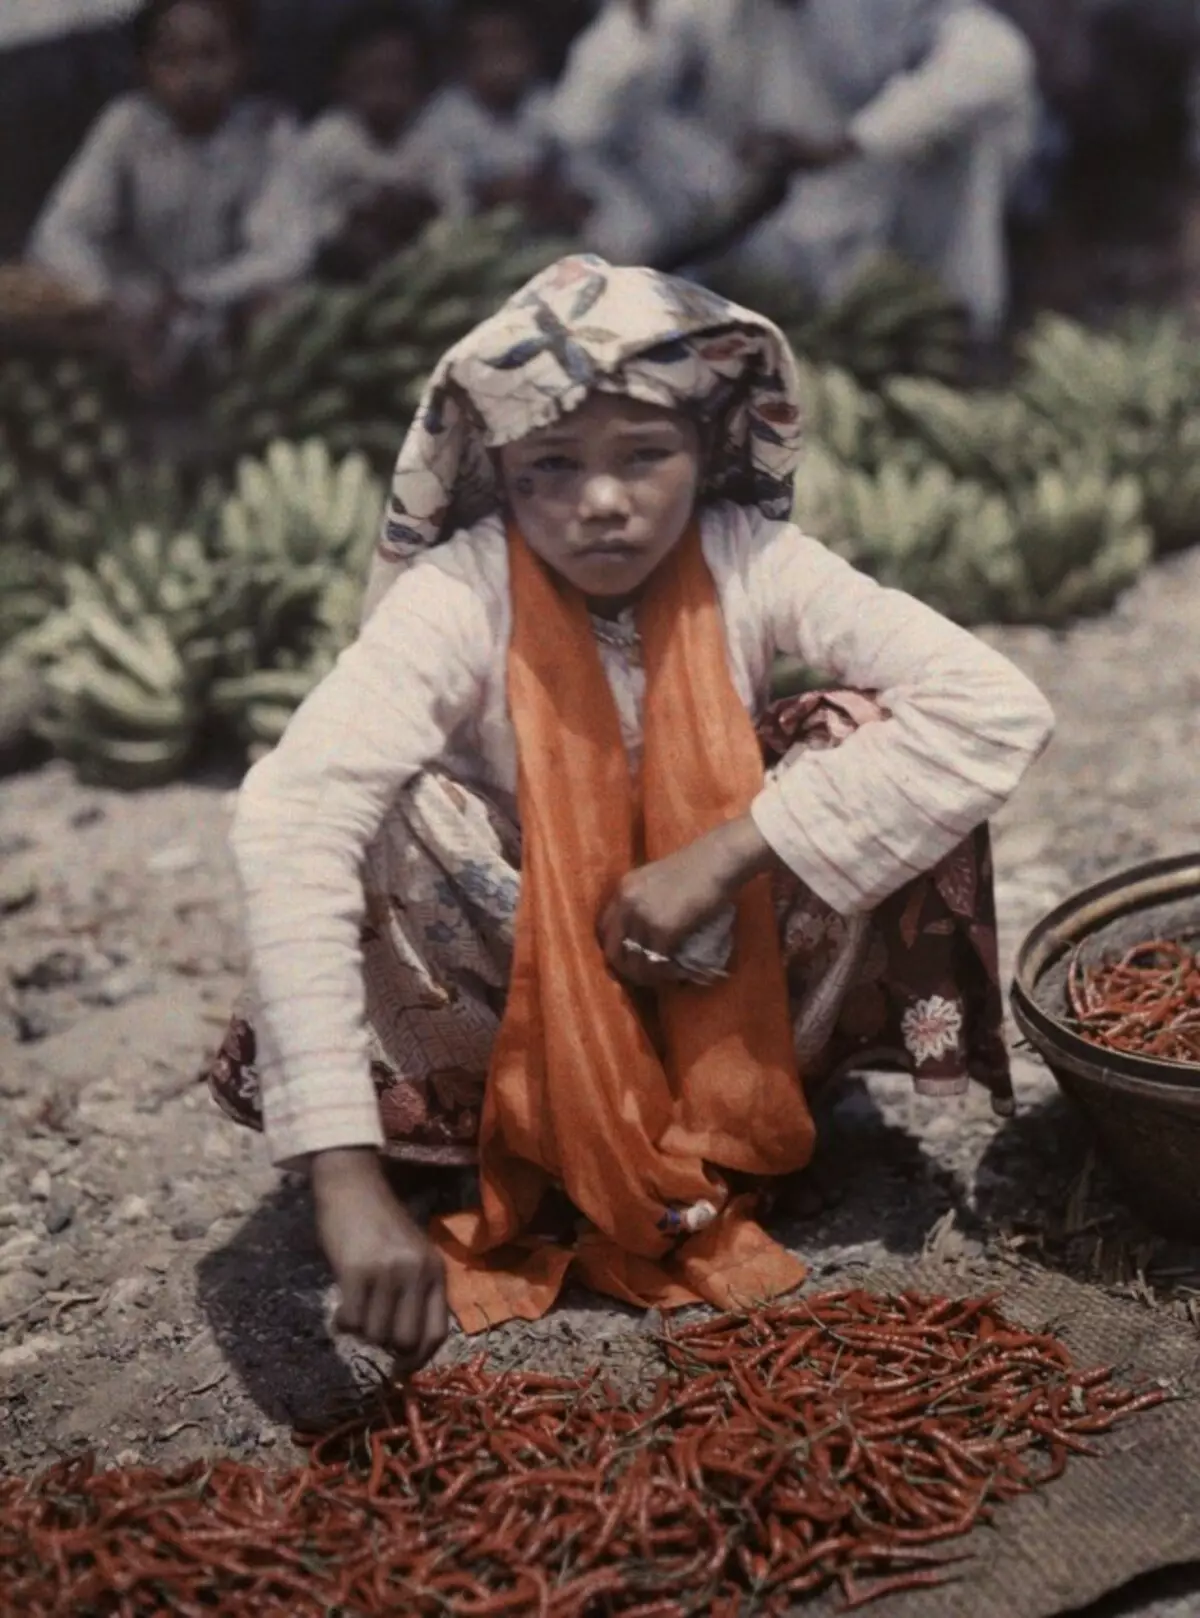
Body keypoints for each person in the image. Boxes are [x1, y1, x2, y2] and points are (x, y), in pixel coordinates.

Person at [207, 255, 1054, 1362]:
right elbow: (291, 812)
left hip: (717, 956)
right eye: (551, 465)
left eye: (643, 456)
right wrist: (341, 1175)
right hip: (522, 980)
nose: (600, 502)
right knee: (384, 806)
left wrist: (725, 854)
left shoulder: (748, 558)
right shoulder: (463, 592)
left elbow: (995, 704)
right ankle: (508, 1131)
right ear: (501, 471)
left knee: (854, 730)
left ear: (703, 453)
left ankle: (741, 1096)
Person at [551, 0, 1038, 337]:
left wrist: (848, 144)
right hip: (761, 290)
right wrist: (638, 18)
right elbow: (581, 121)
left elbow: (997, 59)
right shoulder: (709, 13)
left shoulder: (898, 16)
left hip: (909, 281)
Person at [26, 0, 309, 392]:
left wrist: (199, 293)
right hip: (136, 314)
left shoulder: (269, 130)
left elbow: (287, 248)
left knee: (283, 309)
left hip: (225, 307)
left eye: (211, 55)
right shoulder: (126, 126)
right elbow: (60, 231)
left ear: (244, 58)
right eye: (171, 59)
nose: (193, 76)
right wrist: (108, 297)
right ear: (144, 68)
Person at [416, 0, 660, 260]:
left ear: (533, 51)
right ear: (459, 61)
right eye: (484, 50)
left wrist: (558, 194)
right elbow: (447, 192)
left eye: (509, 47)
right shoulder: (445, 116)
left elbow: (581, 176)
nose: (498, 61)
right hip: (480, 240)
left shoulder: (548, 104)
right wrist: (495, 191)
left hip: (549, 233)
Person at [294, 3, 465, 282]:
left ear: (423, 84)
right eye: (368, 80)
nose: (383, 95)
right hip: (343, 265)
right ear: (340, 81)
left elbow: (456, 207)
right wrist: (349, 221)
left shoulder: (433, 136)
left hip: (421, 261)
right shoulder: (327, 139)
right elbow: (304, 215)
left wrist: (420, 211)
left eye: (398, 80)